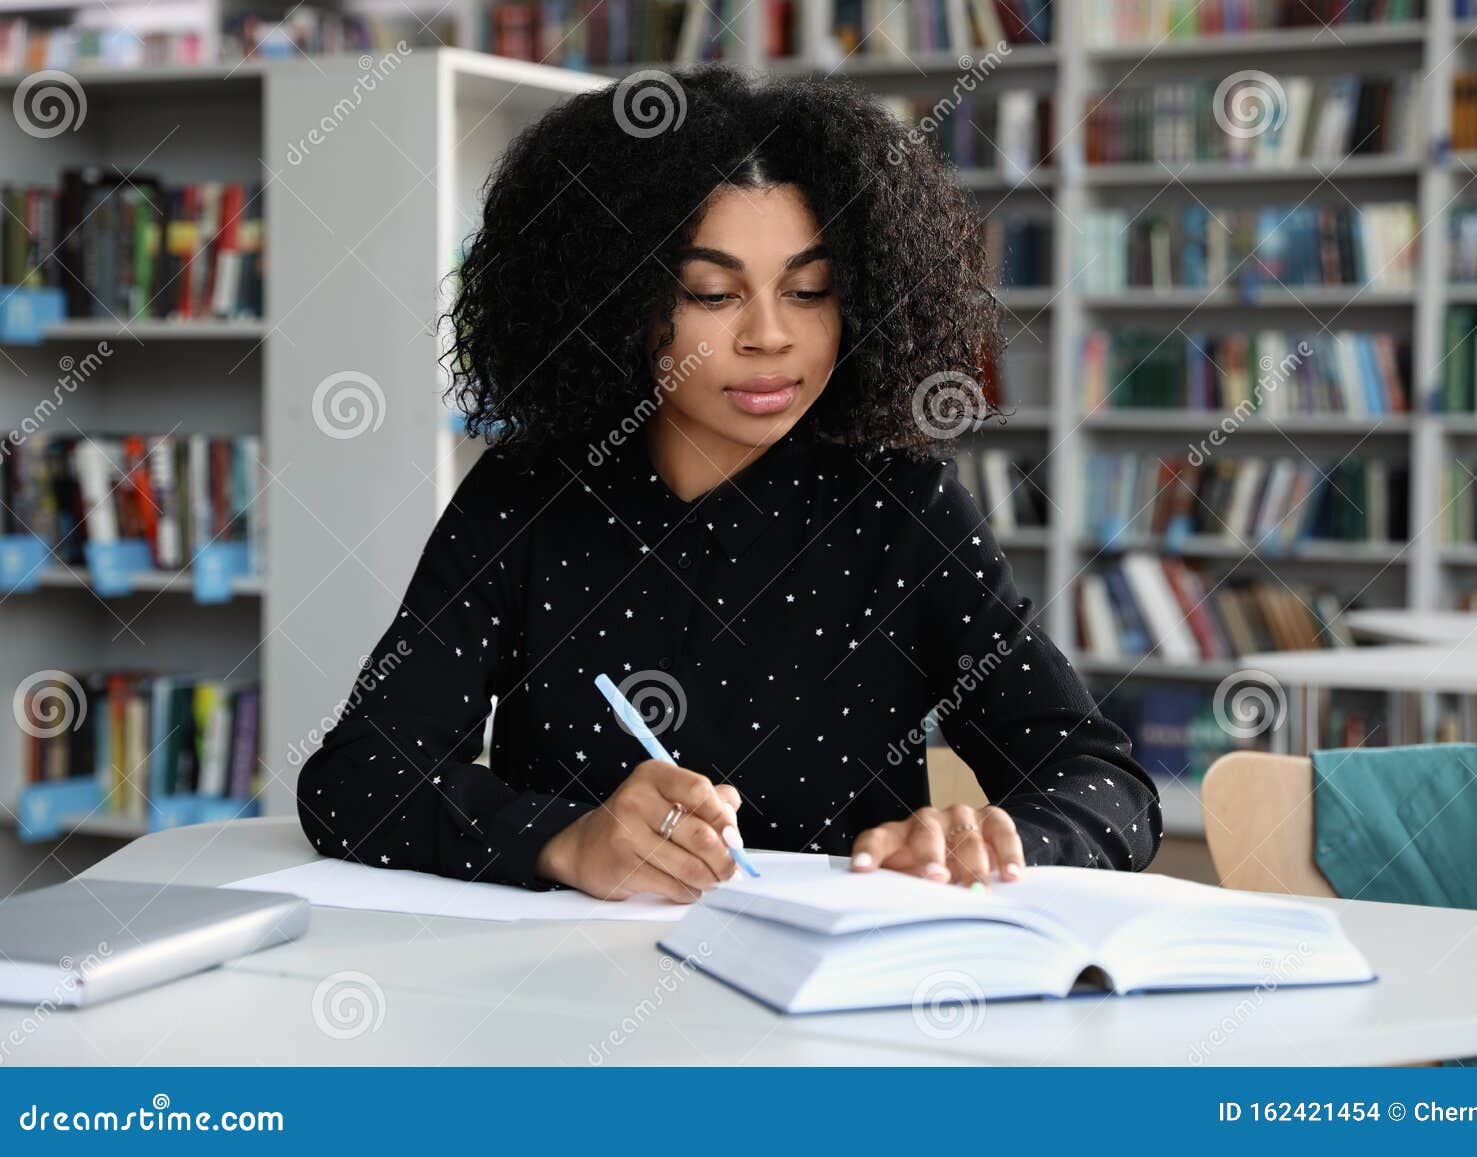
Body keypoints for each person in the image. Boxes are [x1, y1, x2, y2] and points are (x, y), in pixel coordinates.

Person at [295, 64, 1161, 903]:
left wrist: (996, 837)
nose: (771, 336)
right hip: (564, 1001)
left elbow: (1106, 784)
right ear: (618, 299)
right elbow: (358, 775)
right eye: (713, 293)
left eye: (810, 289)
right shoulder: (525, 494)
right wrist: (562, 840)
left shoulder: (903, 505)